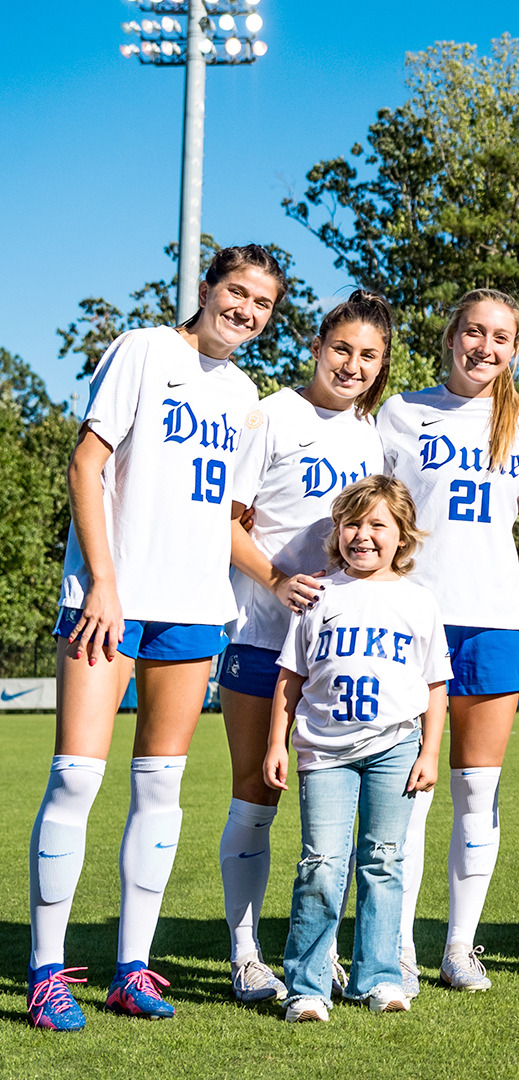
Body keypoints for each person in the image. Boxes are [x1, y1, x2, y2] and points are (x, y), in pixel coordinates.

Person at [26, 245, 280, 1030]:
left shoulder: (244, 395)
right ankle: (44, 971)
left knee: (160, 788)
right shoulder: (144, 348)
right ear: (206, 290)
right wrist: (103, 582)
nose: (244, 310)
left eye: (261, 304)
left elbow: (229, 517)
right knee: (76, 776)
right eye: (235, 292)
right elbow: (86, 464)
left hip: (194, 607)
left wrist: (274, 579)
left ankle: (131, 968)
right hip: (112, 602)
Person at [218, 289, 391, 1005]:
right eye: (343, 348)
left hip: (339, 652)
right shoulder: (271, 414)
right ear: (319, 346)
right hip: (261, 634)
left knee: (329, 808)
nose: (353, 365)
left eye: (369, 356)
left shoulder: (369, 435)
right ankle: (245, 954)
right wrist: (276, 577)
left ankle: (317, 950)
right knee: (258, 790)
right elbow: (222, 522)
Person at [377, 288, 519, 993]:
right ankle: (399, 946)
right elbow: (372, 515)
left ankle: (460, 947)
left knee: (478, 789)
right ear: (451, 336)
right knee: (410, 792)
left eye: (500, 337)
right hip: (415, 619)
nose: (485, 346)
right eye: (474, 331)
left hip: (496, 618)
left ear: (515, 348)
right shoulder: (402, 411)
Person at [264, 475, 449, 1022]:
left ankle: (378, 977)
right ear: (336, 531)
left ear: (401, 536)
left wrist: (430, 752)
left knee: (384, 862)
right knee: (322, 864)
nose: (362, 536)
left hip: (395, 746)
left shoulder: (418, 601)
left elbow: (436, 686)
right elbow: (290, 678)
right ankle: (308, 984)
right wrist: (278, 741)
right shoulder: (317, 595)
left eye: (377, 526)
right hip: (324, 751)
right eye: (352, 524)